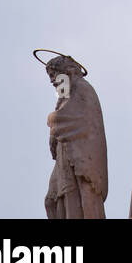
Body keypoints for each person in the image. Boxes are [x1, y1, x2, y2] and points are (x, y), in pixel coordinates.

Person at [43, 55, 108, 220]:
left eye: (56, 77)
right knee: (52, 200)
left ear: (69, 72)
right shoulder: (67, 96)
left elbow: (74, 120)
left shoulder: (83, 88)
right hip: (65, 160)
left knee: (75, 201)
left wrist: (53, 121)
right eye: (52, 80)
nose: (54, 83)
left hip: (79, 161)